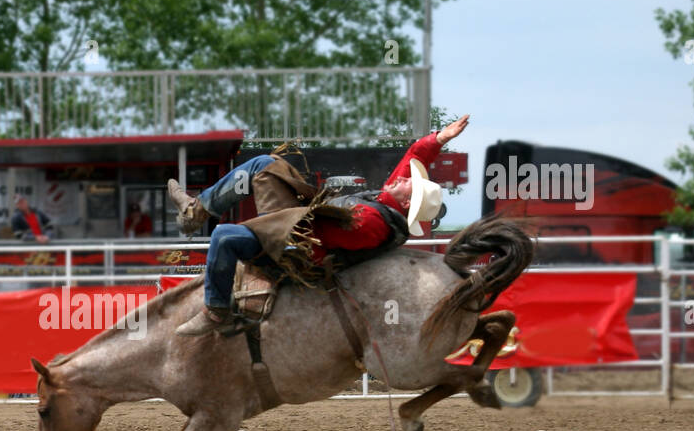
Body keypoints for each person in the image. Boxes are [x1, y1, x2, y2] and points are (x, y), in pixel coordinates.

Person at [170, 114, 470, 335]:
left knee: (223, 236)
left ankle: (216, 311)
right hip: (300, 225)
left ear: (408, 203)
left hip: (297, 248)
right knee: (263, 164)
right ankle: (196, 211)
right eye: (406, 178)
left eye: (408, 184)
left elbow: (322, 234)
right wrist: (440, 139)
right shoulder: (388, 204)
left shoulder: (376, 222)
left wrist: (293, 209)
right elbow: (413, 156)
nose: (403, 178)